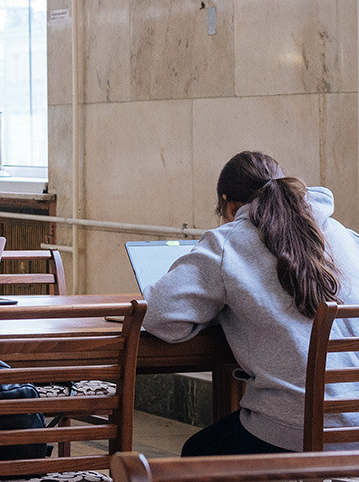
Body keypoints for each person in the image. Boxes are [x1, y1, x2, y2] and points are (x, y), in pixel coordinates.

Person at [144, 150, 359, 455]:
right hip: (354, 427)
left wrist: (219, 311)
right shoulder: (344, 235)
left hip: (293, 431)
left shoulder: (228, 241)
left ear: (229, 205)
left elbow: (158, 315)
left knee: (196, 452)